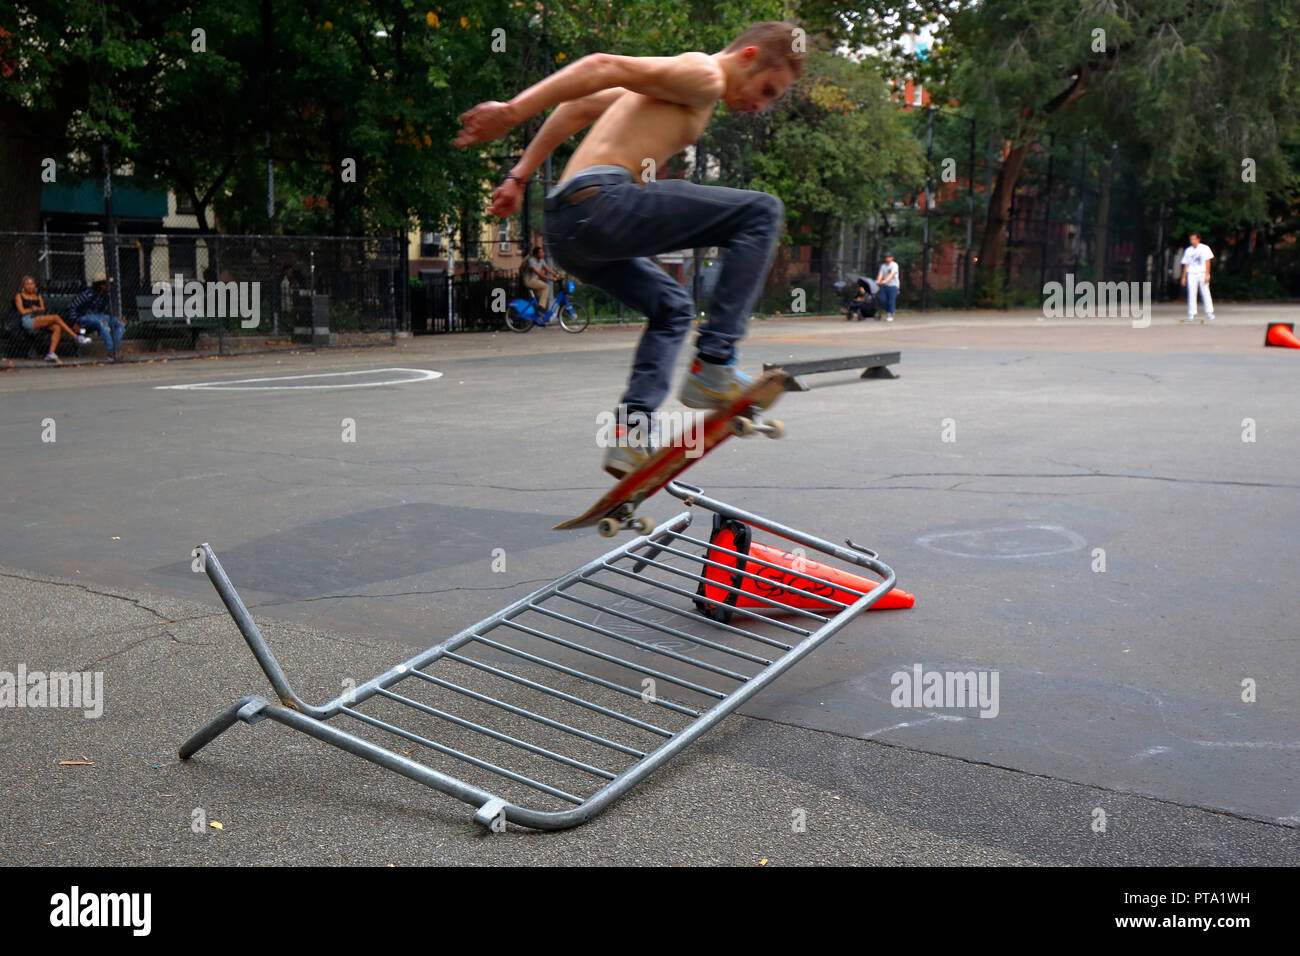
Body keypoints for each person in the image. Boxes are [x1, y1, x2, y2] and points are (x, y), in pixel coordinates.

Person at [455, 21, 803, 477]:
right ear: (747, 57)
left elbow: (579, 104)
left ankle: (630, 437)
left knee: (673, 307)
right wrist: (513, 112)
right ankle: (715, 362)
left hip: (568, 228)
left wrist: (520, 176)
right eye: (768, 90)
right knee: (763, 213)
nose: (761, 106)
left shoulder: (673, 81)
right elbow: (602, 65)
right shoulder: (705, 75)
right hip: (602, 206)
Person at [13, 276, 91, 363]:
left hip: (39, 318)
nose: (30, 286)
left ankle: (51, 353)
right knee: (55, 317)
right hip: (28, 320)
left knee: (57, 327)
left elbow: (42, 309)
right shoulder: (19, 296)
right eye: (27, 284)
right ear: (23, 286)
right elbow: (22, 311)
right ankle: (76, 337)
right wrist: (32, 309)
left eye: (32, 284)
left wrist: (37, 309)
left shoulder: (38, 297)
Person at [68, 272, 126, 361]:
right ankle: (112, 353)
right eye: (107, 284)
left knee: (120, 323)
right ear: (101, 285)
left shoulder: (105, 296)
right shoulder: (88, 294)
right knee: (102, 322)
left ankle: (114, 351)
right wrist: (74, 322)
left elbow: (105, 312)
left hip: (100, 317)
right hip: (84, 318)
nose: (109, 286)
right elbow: (73, 306)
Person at [1179, 233, 1215, 325]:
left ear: (1198, 239)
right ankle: (1192, 313)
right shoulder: (1188, 250)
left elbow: (1207, 261)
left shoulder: (1204, 248)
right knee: (1191, 292)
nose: (1192, 241)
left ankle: (1209, 312)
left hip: (1202, 272)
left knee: (1205, 292)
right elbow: (1186, 264)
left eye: (1194, 239)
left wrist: (1207, 274)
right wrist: (1183, 277)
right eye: (1191, 239)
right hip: (1192, 274)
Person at [523, 244, 562, 311]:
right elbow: (538, 274)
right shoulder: (531, 260)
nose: (542, 254)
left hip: (534, 281)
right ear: (536, 254)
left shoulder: (541, 260)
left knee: (541, 296)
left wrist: (556, 275)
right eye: (540, 252)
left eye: (542, 252)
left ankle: (538, 315)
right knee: (546, 287)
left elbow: (547, 269)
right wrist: (550, 279)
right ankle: (541, 306)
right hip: (529, 281)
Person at [875, 252, 900, 322]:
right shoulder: (883, 266)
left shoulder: (894, 265)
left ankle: (890, 314)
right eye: (886, 257)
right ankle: (889, 311)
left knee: (891, 301)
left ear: (892, 258)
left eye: (889, 257)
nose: (887, 258)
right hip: (885, 286)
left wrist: (885, 280)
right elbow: (880, 274)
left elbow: (892, 274)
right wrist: (878, 281)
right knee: (882, 299)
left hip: (893, 286)